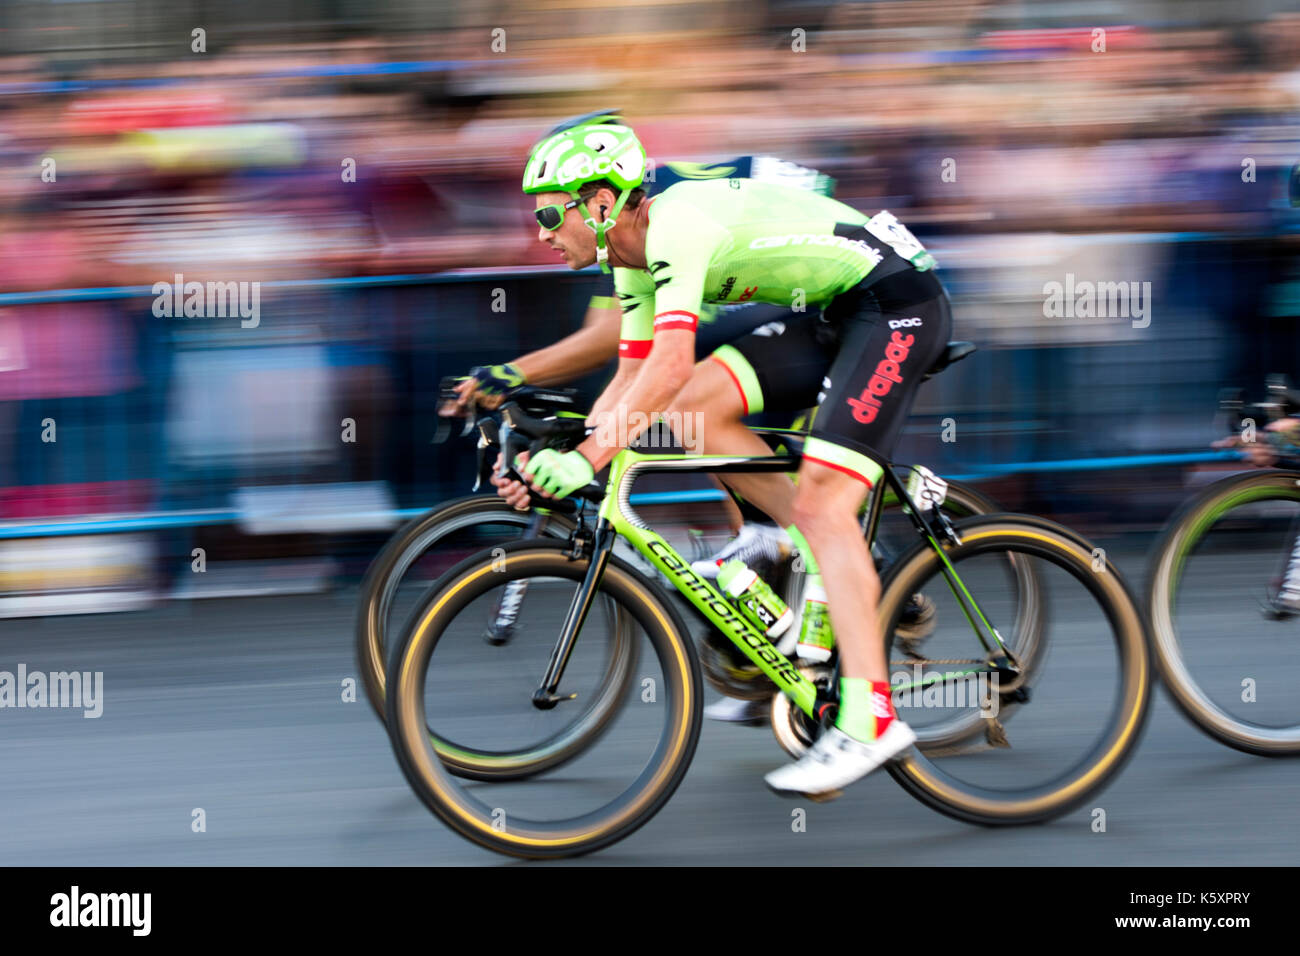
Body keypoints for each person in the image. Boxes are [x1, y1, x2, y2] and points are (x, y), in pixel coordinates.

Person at [509, 112, 954, 798]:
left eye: (547, 212)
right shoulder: (627, 257)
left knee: (823, 502)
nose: (540, 231)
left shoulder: (673, 228)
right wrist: (564, 456)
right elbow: (632, 380)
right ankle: (805, 545)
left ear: (601, 204)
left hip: (895, 303)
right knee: (690, 417)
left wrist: (591, 456)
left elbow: (669, 363)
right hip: (832, 310)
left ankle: (872, 721)